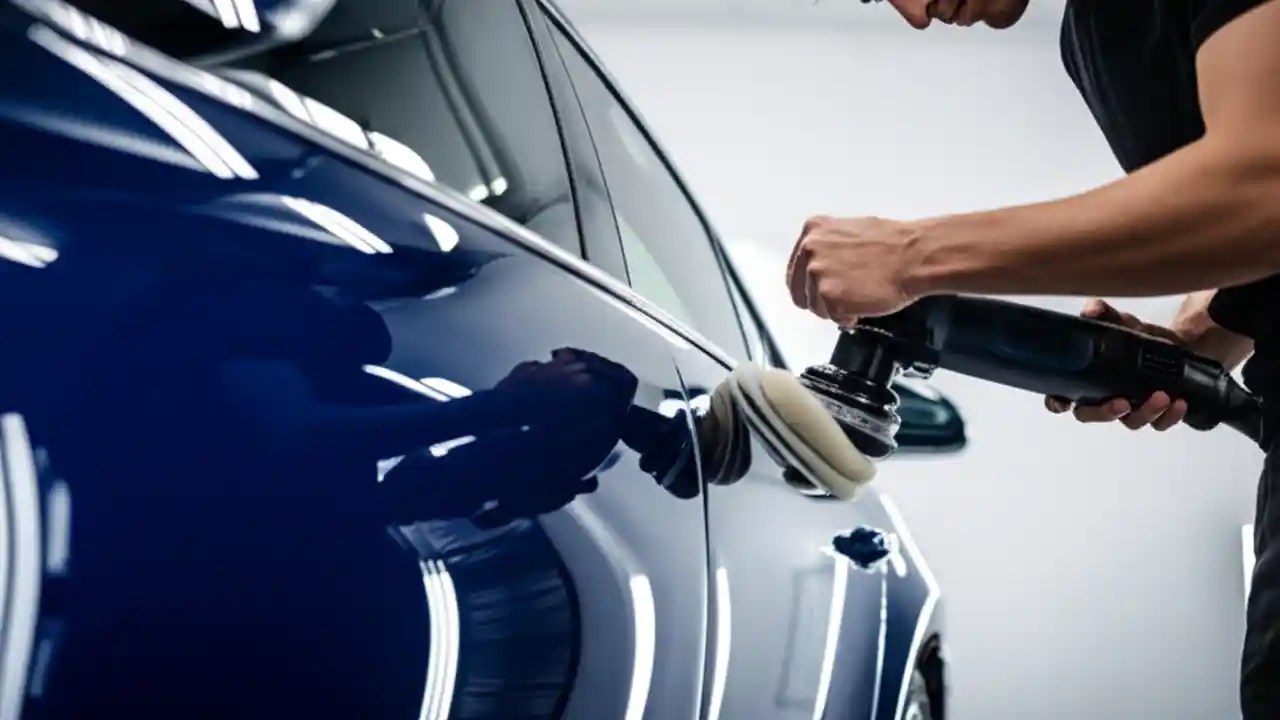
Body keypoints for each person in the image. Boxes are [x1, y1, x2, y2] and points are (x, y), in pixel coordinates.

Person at [784, 0, 1280, 716]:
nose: (915, 14)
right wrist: (1206, 337)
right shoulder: (1095, 38)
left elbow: (1265, 188)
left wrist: (915, 255)